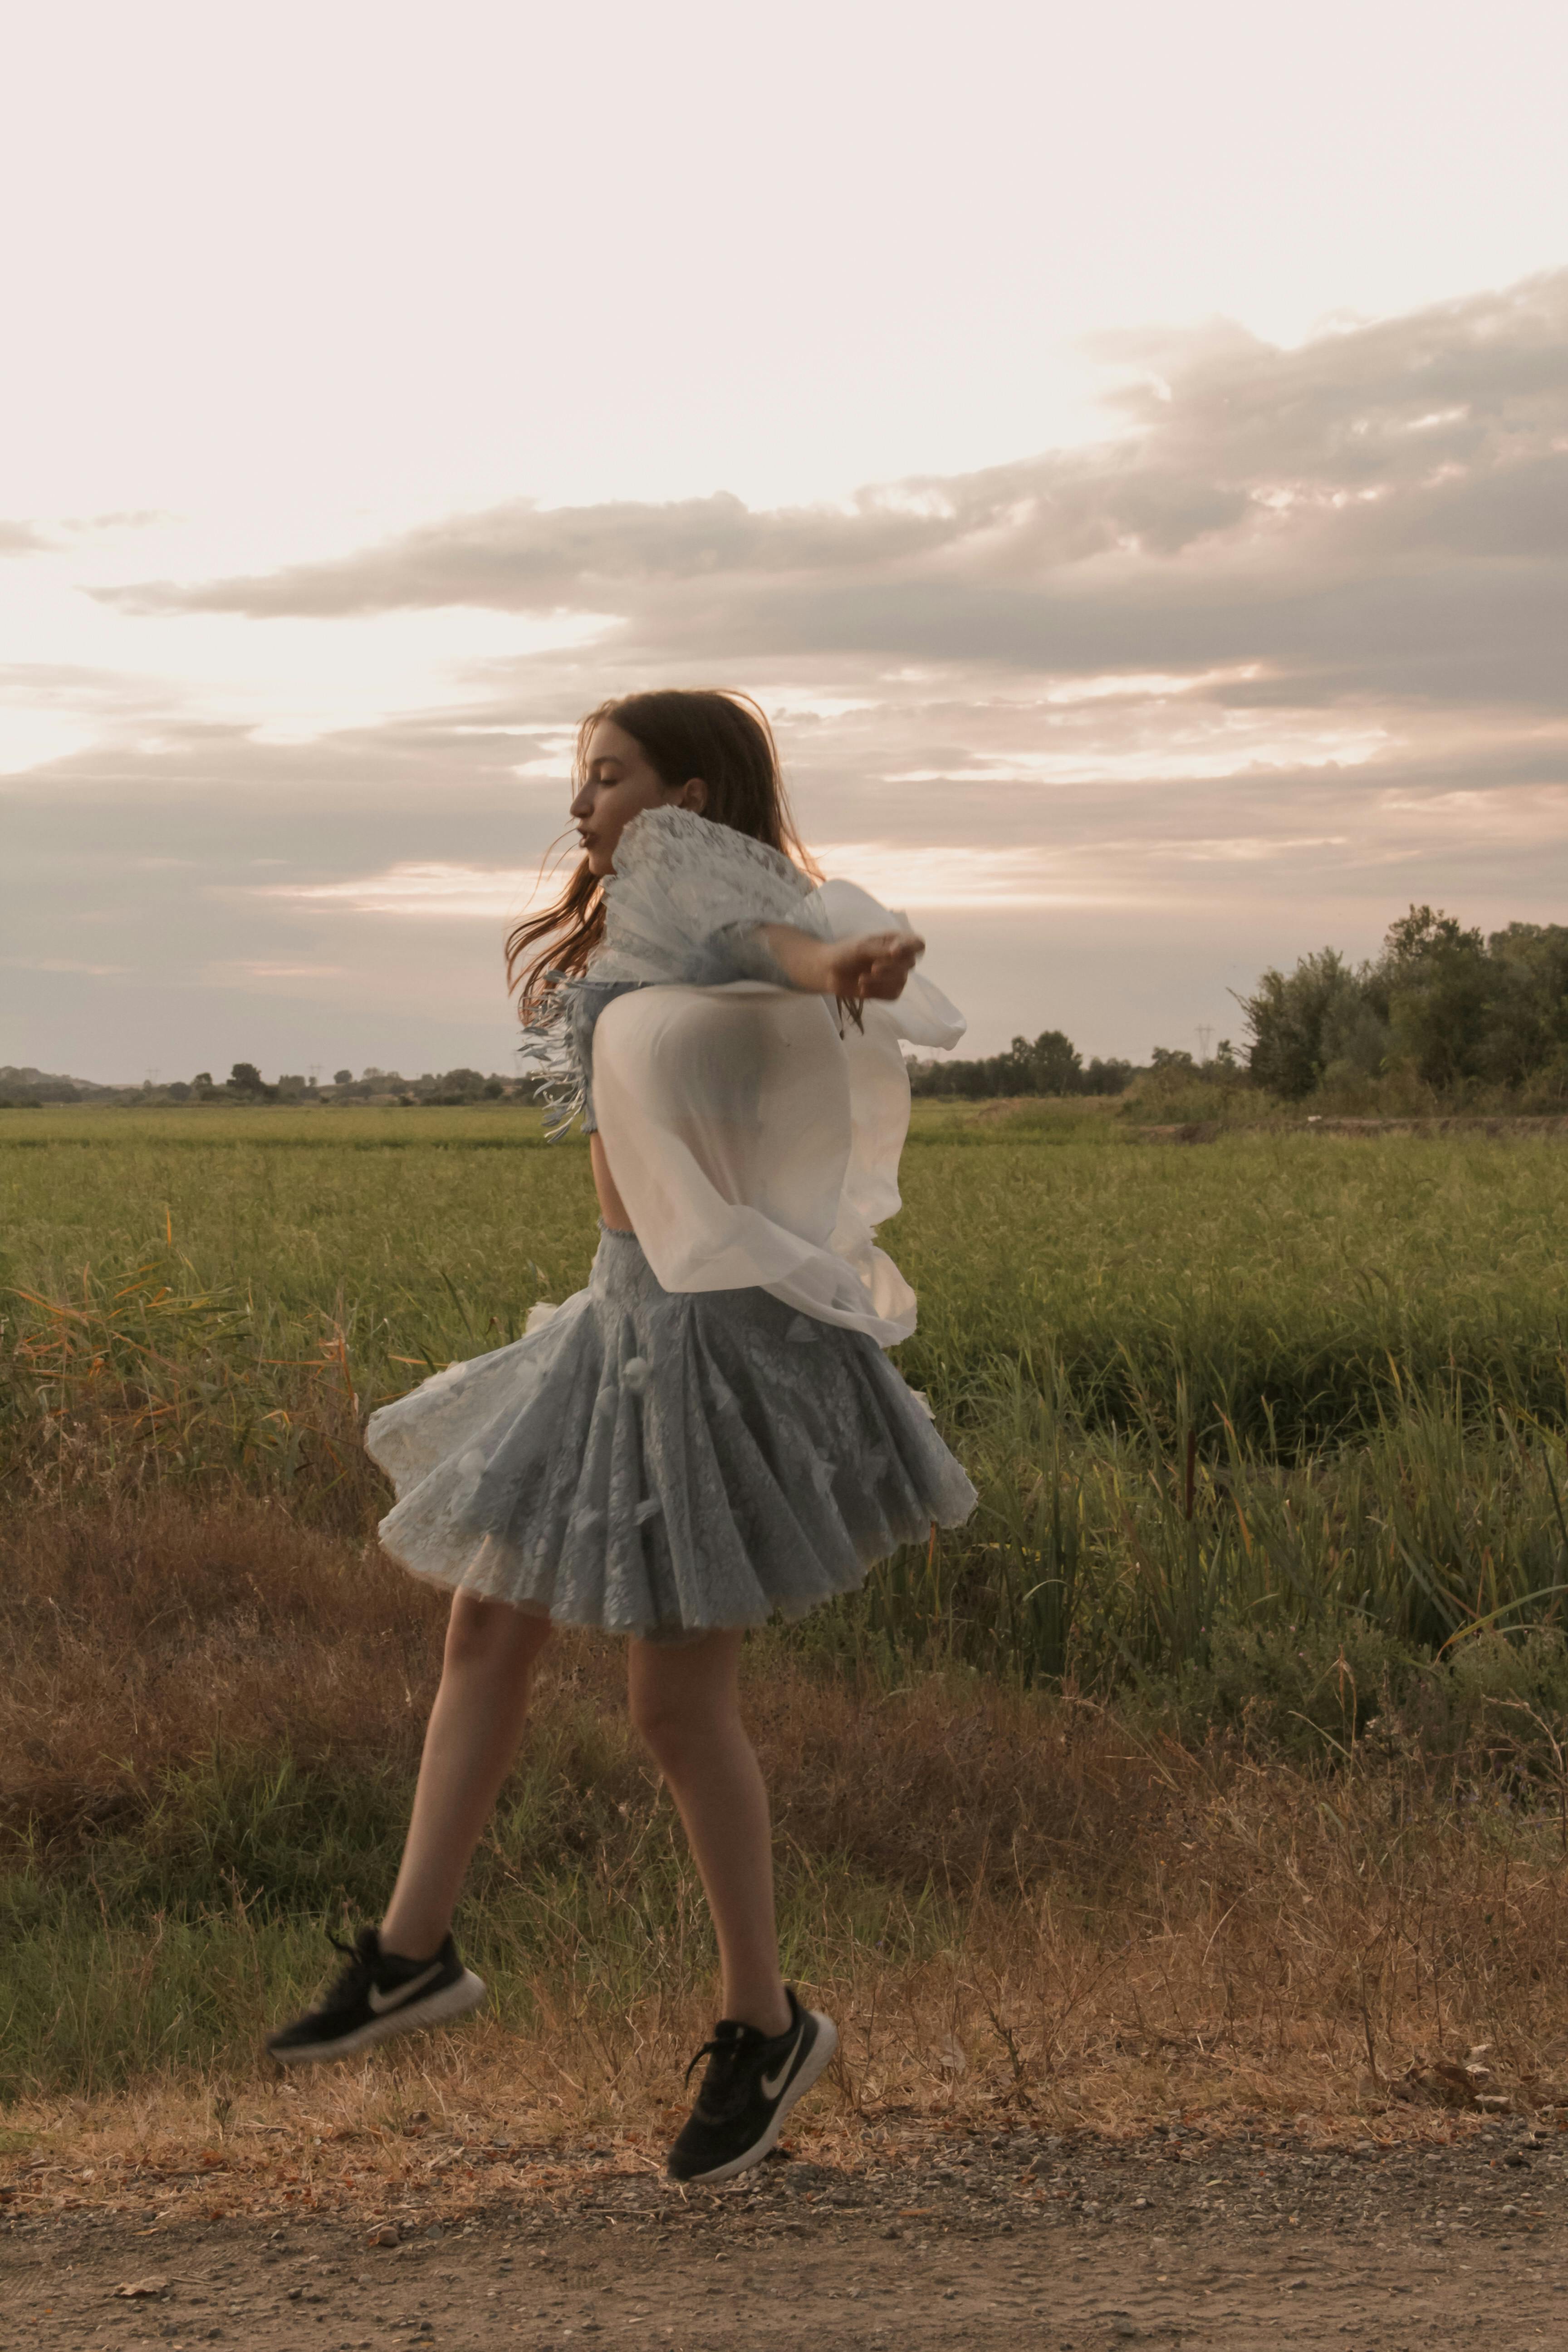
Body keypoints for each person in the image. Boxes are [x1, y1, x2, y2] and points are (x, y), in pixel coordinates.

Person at [265, 689, 977, 2184]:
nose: (581, 808)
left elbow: (789, 949)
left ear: (688, 798)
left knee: (670, 1710)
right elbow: (761, 957)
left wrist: (847, 958)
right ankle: (411, 1953)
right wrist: (821, 952)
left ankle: (765, 2024)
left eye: (608, 779)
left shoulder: (715, 898)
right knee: (485, 1628)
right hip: (618, 1322)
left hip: (707, 1351)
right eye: (582, 781)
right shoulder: (662, 925)